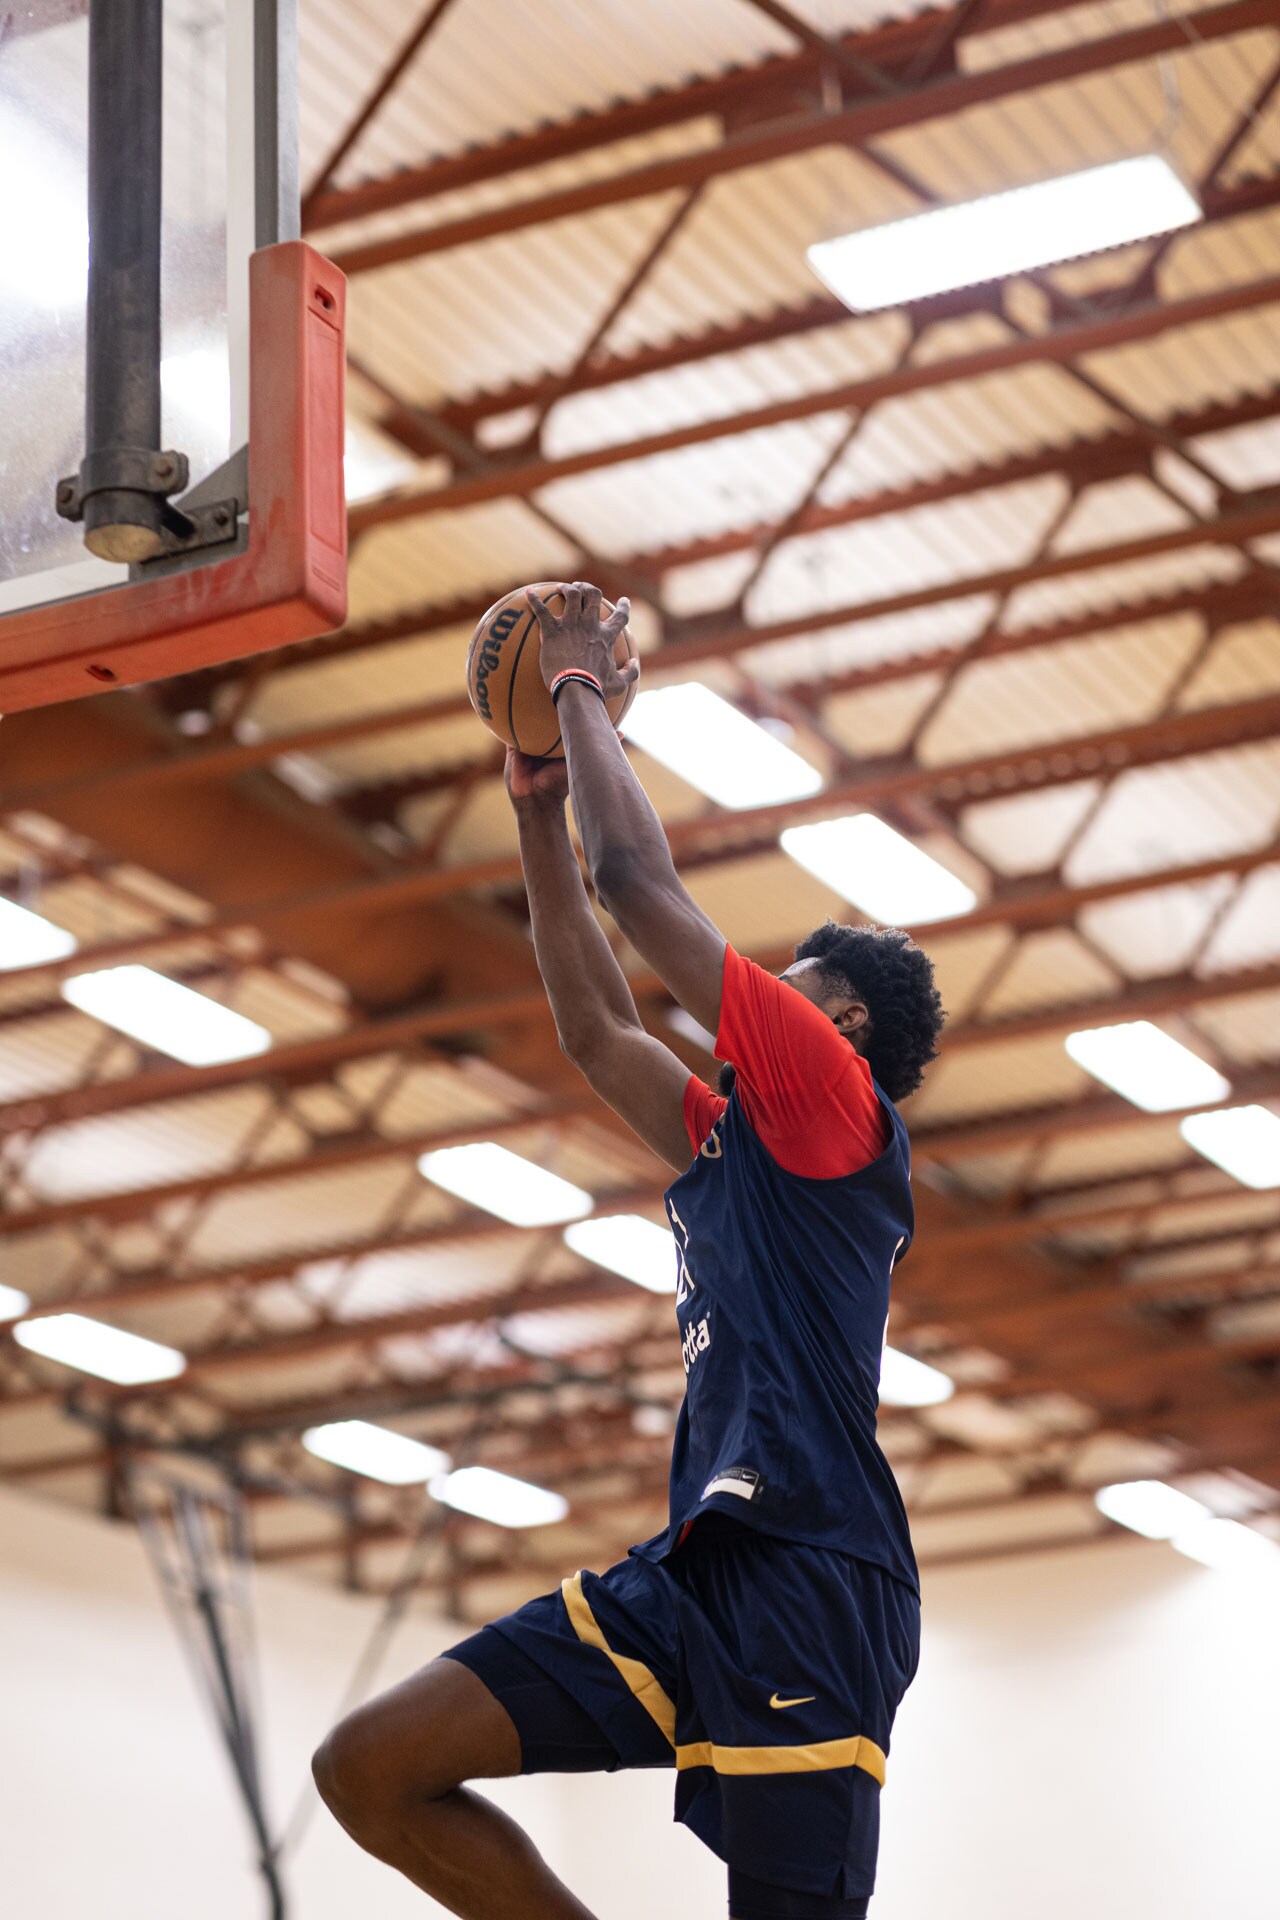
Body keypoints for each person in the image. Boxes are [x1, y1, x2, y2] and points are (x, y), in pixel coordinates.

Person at [312, 583, 947, 1920]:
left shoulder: (838, 1110)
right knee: (372, 1769)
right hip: (704, 1565)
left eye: (803, 992)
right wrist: (538, 809)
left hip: (816, 1580)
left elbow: (639, 886)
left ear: (843, 1035)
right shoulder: (731, 1145)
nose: (767, 1001)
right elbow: (598, 1030)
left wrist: (581, 688)